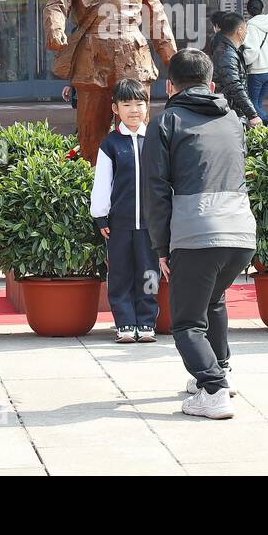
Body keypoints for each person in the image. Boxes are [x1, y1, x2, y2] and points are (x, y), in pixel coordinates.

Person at [143, 48, 257, 420]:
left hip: (195, 232)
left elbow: (155, 189)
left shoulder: (167, 121)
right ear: (211, 84)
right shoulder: (233, 120)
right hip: (241, 231)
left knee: (187, 322)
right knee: (214, 300)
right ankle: (220, 370)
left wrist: (160, 245)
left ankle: (213, 388)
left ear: (169, 85)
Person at [44, 0, 177, 164]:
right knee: (91, 130)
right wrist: (55, 28)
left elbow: (155, 13)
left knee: (136, 125)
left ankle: (136, 179)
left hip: (133, 55)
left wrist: (172, 59)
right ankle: (95, 183)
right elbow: (56, 4)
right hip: (92, 58)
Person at [91, 79, 158, 343]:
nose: (133, 109)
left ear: (147, 106)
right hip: (119, 223)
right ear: (115, 108)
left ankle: (146, 321)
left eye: (139, 103)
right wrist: (100, 215)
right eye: (127, 104)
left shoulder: (154, 140)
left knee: (149, 272)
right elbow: (102, 182)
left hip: (150, 224)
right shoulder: (110, 144)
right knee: (120, 273)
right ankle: (125, 323)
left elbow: (164, 181)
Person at [208, 11, 262, 128]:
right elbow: (234, 85)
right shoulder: (226, 53)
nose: (247, 33)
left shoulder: (228, 49)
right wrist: (252, 115)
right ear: (239, 30)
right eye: (245, 29)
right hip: (229, 112)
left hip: (230, 110)